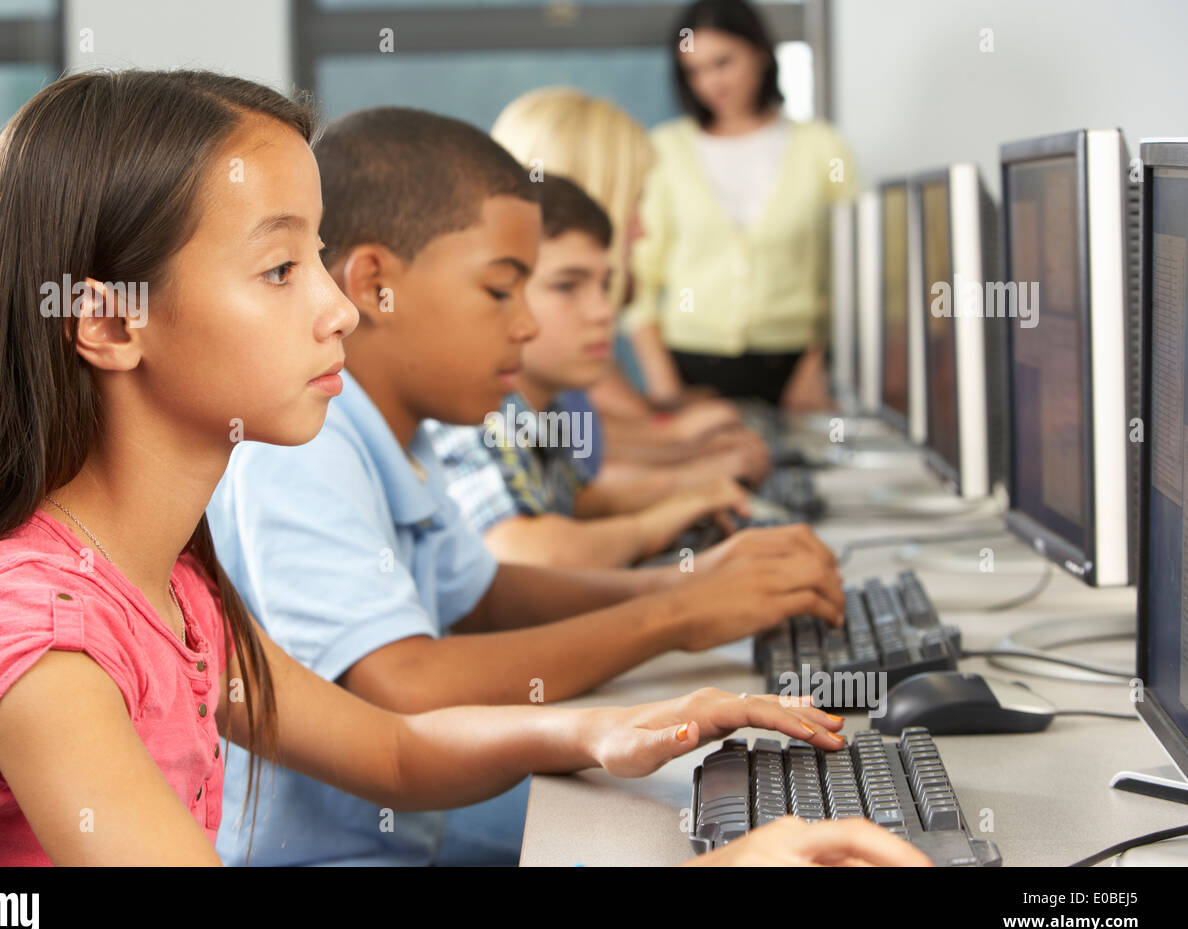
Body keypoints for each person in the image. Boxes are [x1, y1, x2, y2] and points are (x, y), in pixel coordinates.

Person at [0, 71, 931, 870]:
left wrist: (606, 730)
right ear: (112, 321)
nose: (340, 307)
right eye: (280, 268)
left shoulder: (174, 589)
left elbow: (392, 751)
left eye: (318, 259)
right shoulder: (41, 639)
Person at [204, 107, 873, 867]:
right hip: (340, 854)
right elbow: (402, 685)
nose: (526, 327)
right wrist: (677, 614)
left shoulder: (396, 430)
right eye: (501, 291)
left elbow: (484, 594)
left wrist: (688, 586)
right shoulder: (300, 445)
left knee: (686, 808)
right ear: (376, 287)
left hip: (415, 823)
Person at [429, 173, 749, 568]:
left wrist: (690, 496)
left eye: (604, 285)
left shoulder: (551, 404)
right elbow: (525, 553)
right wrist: (656, 528)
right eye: (567, 286)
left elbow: (574, 502)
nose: (603, 311)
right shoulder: (468, 407)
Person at [623, 0, 855, 411]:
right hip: (689, 369)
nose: (710, 83)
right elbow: (640, 276)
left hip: (796, 372)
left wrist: (818, 365)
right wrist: (664, 386)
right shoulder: (664, 149)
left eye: (722, 63)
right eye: (694, 71)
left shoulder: (822, 147)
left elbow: (849, 270)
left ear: (760, 52)